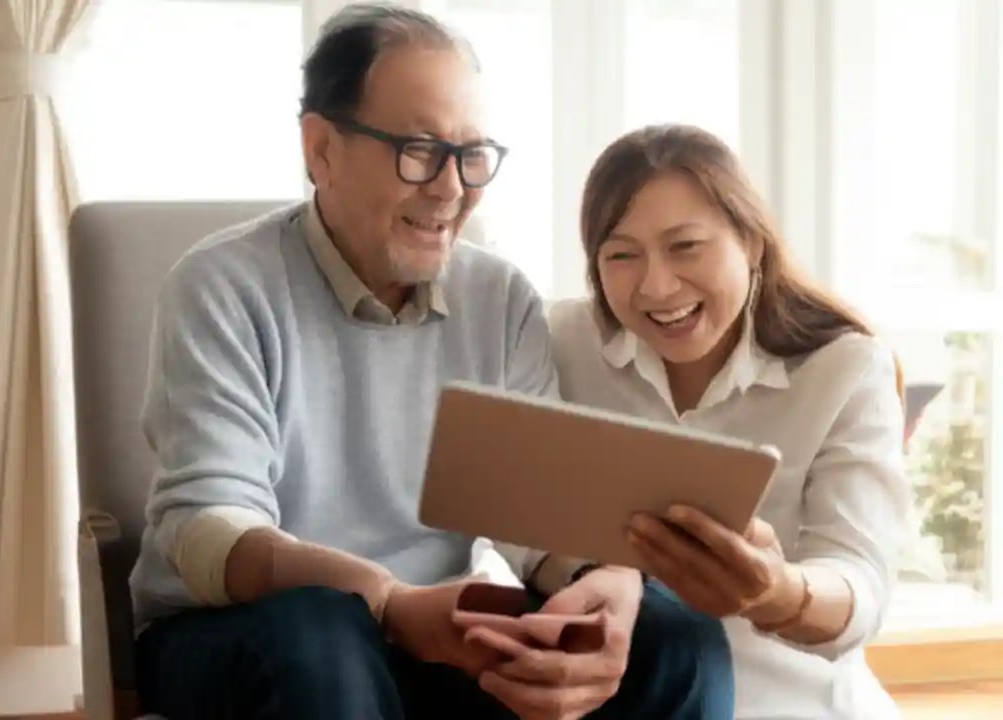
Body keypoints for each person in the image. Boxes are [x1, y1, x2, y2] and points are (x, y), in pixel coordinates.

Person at [128, 4, 733, 719]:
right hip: (245, 629)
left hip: (435, 631)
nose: (451, 187)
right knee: (322, 632)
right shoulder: (221, 286)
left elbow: (532, 511)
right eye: (419, 149)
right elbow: (207, 530)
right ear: (320, 149)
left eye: (472, 154)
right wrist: (387, 601)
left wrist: (606, 580)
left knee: (678, 636)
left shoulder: (498, 295)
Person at [545, 124, 911, 719]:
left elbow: (862, 587)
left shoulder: (844, 368)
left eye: (686, 246)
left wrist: (777, 592)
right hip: (633, 697)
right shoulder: (563, 343)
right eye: (621, 255)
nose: (657, 286)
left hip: (795, 702)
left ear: (752, 241)